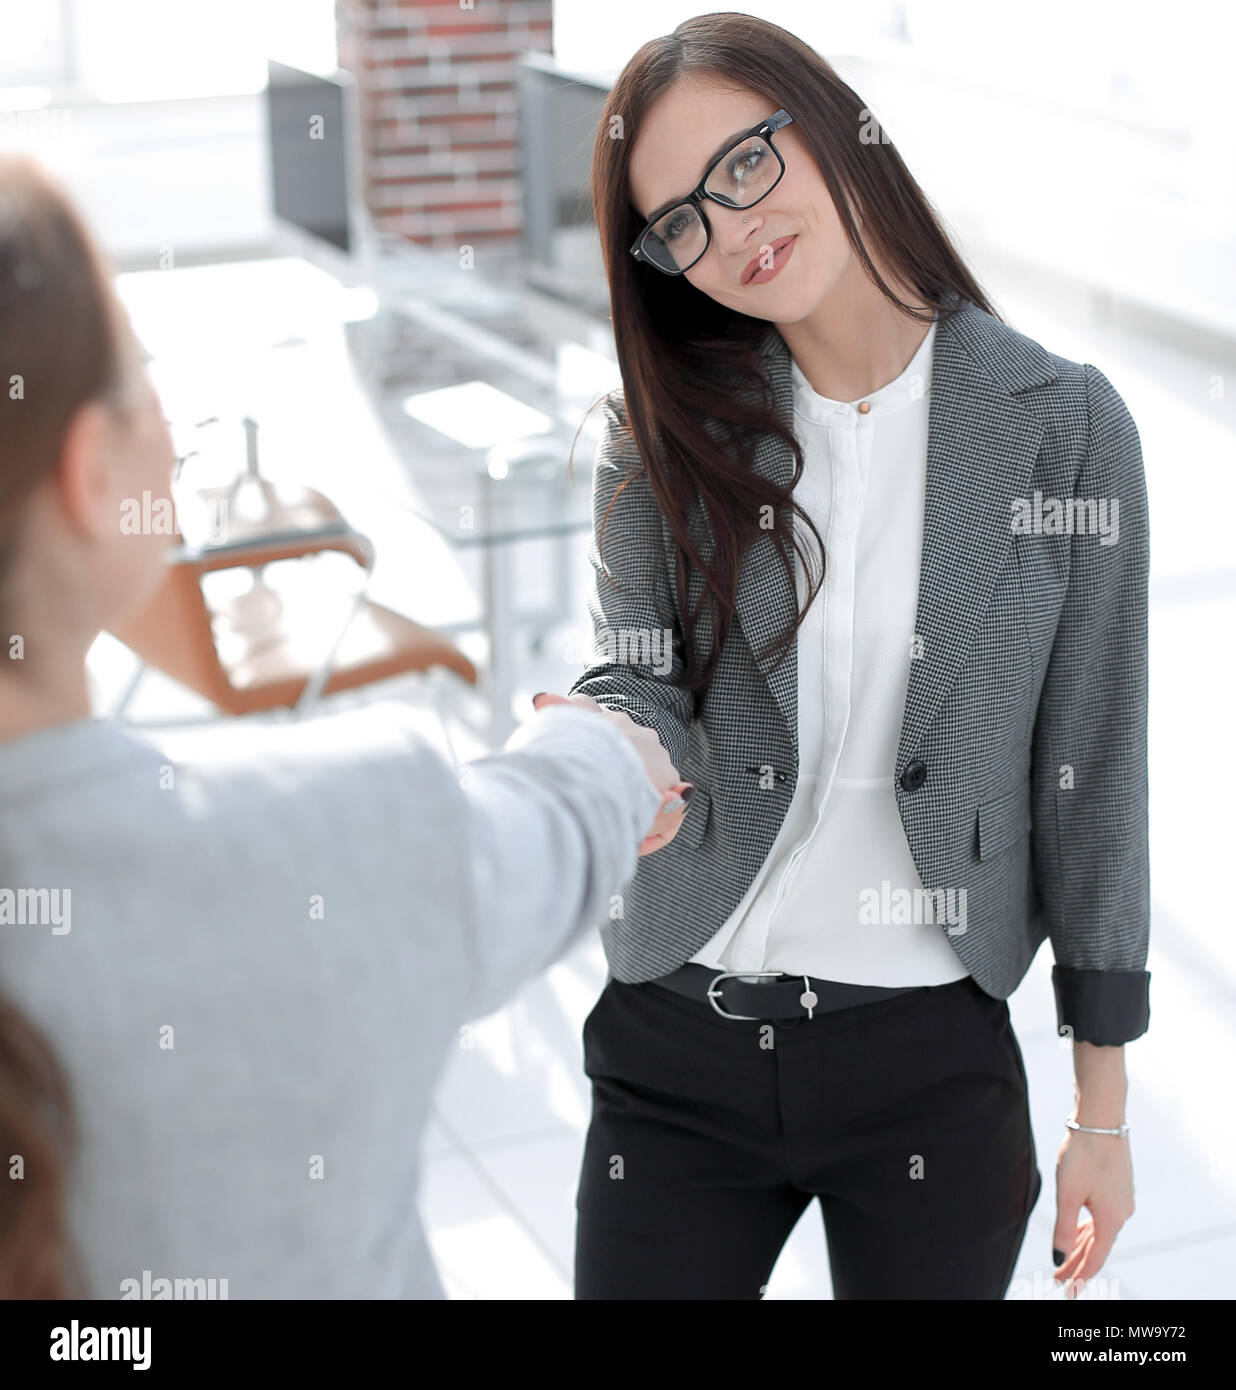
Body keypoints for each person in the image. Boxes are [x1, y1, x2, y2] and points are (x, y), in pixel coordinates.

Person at [0, 151, 691, 1298]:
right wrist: (614, 748)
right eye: (143, 374)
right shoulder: (348, 831)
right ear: (84, 472)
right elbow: (556, 820)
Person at [562, 13, 1149, 1300]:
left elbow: (1095, 774)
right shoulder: (663, 428)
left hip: (925, 1064)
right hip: (675, 1045)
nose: (731, 229)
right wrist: (608, 735)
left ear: (825, 123)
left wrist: (1099, 1115)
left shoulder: (1064, 429)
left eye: (747, 163)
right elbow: (640, 672)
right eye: (681, 225)